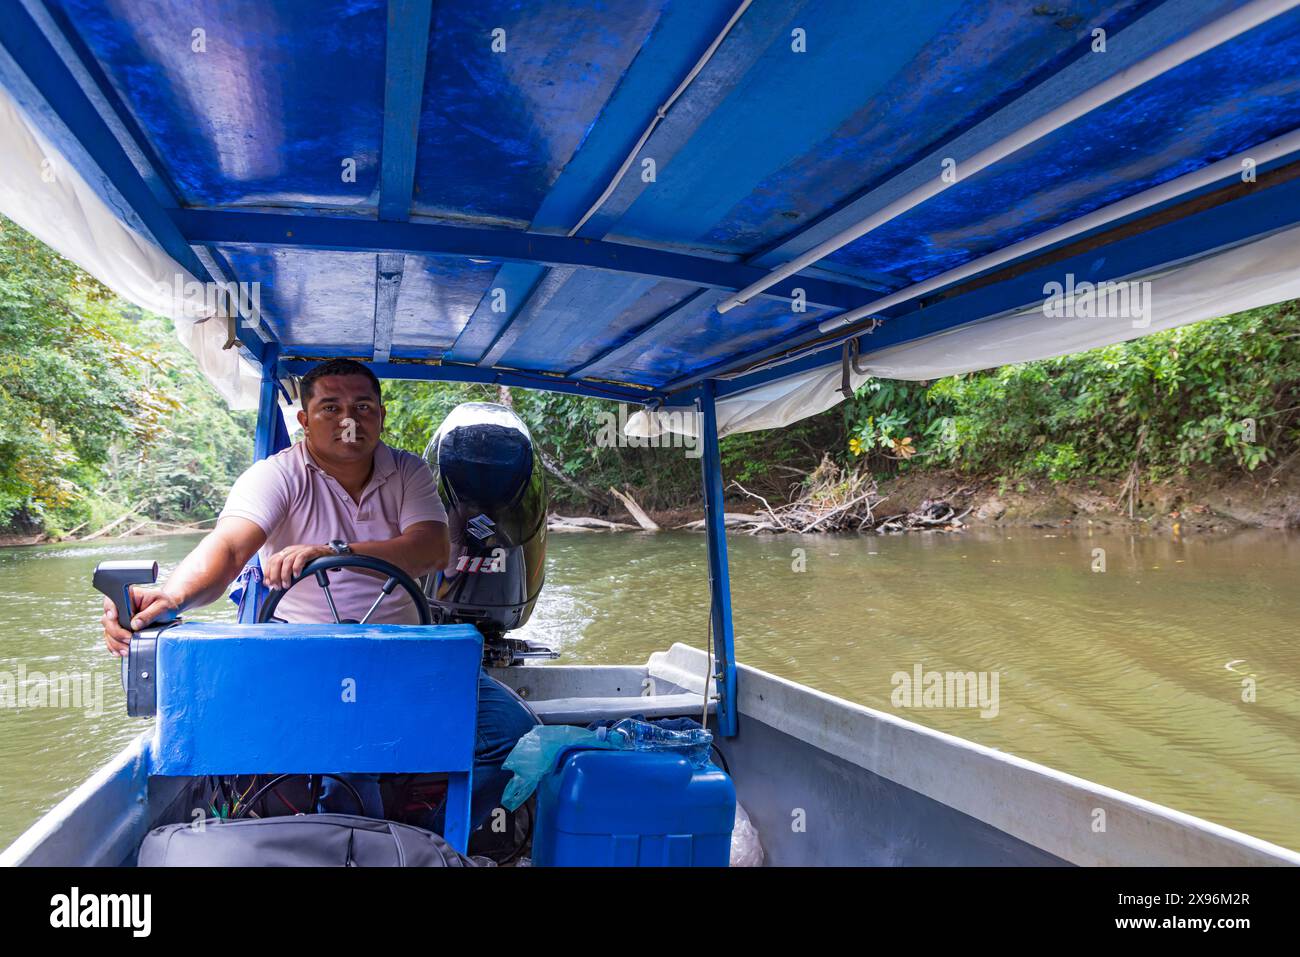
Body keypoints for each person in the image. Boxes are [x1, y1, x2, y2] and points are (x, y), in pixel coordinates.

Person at [100, 357, 538, 829]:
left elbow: (432, 548)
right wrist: (172, 595)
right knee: (347, 747)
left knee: (514, 735)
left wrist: (333, 549)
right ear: (304, 420)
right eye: (331, 407)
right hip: (302, 653)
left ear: (381, 416)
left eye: (363, 407)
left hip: (403, 650)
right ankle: (351, 838)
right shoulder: (277, 476)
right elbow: (227, 549)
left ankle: (422, 834)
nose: (349, 420)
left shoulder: (408, 472)